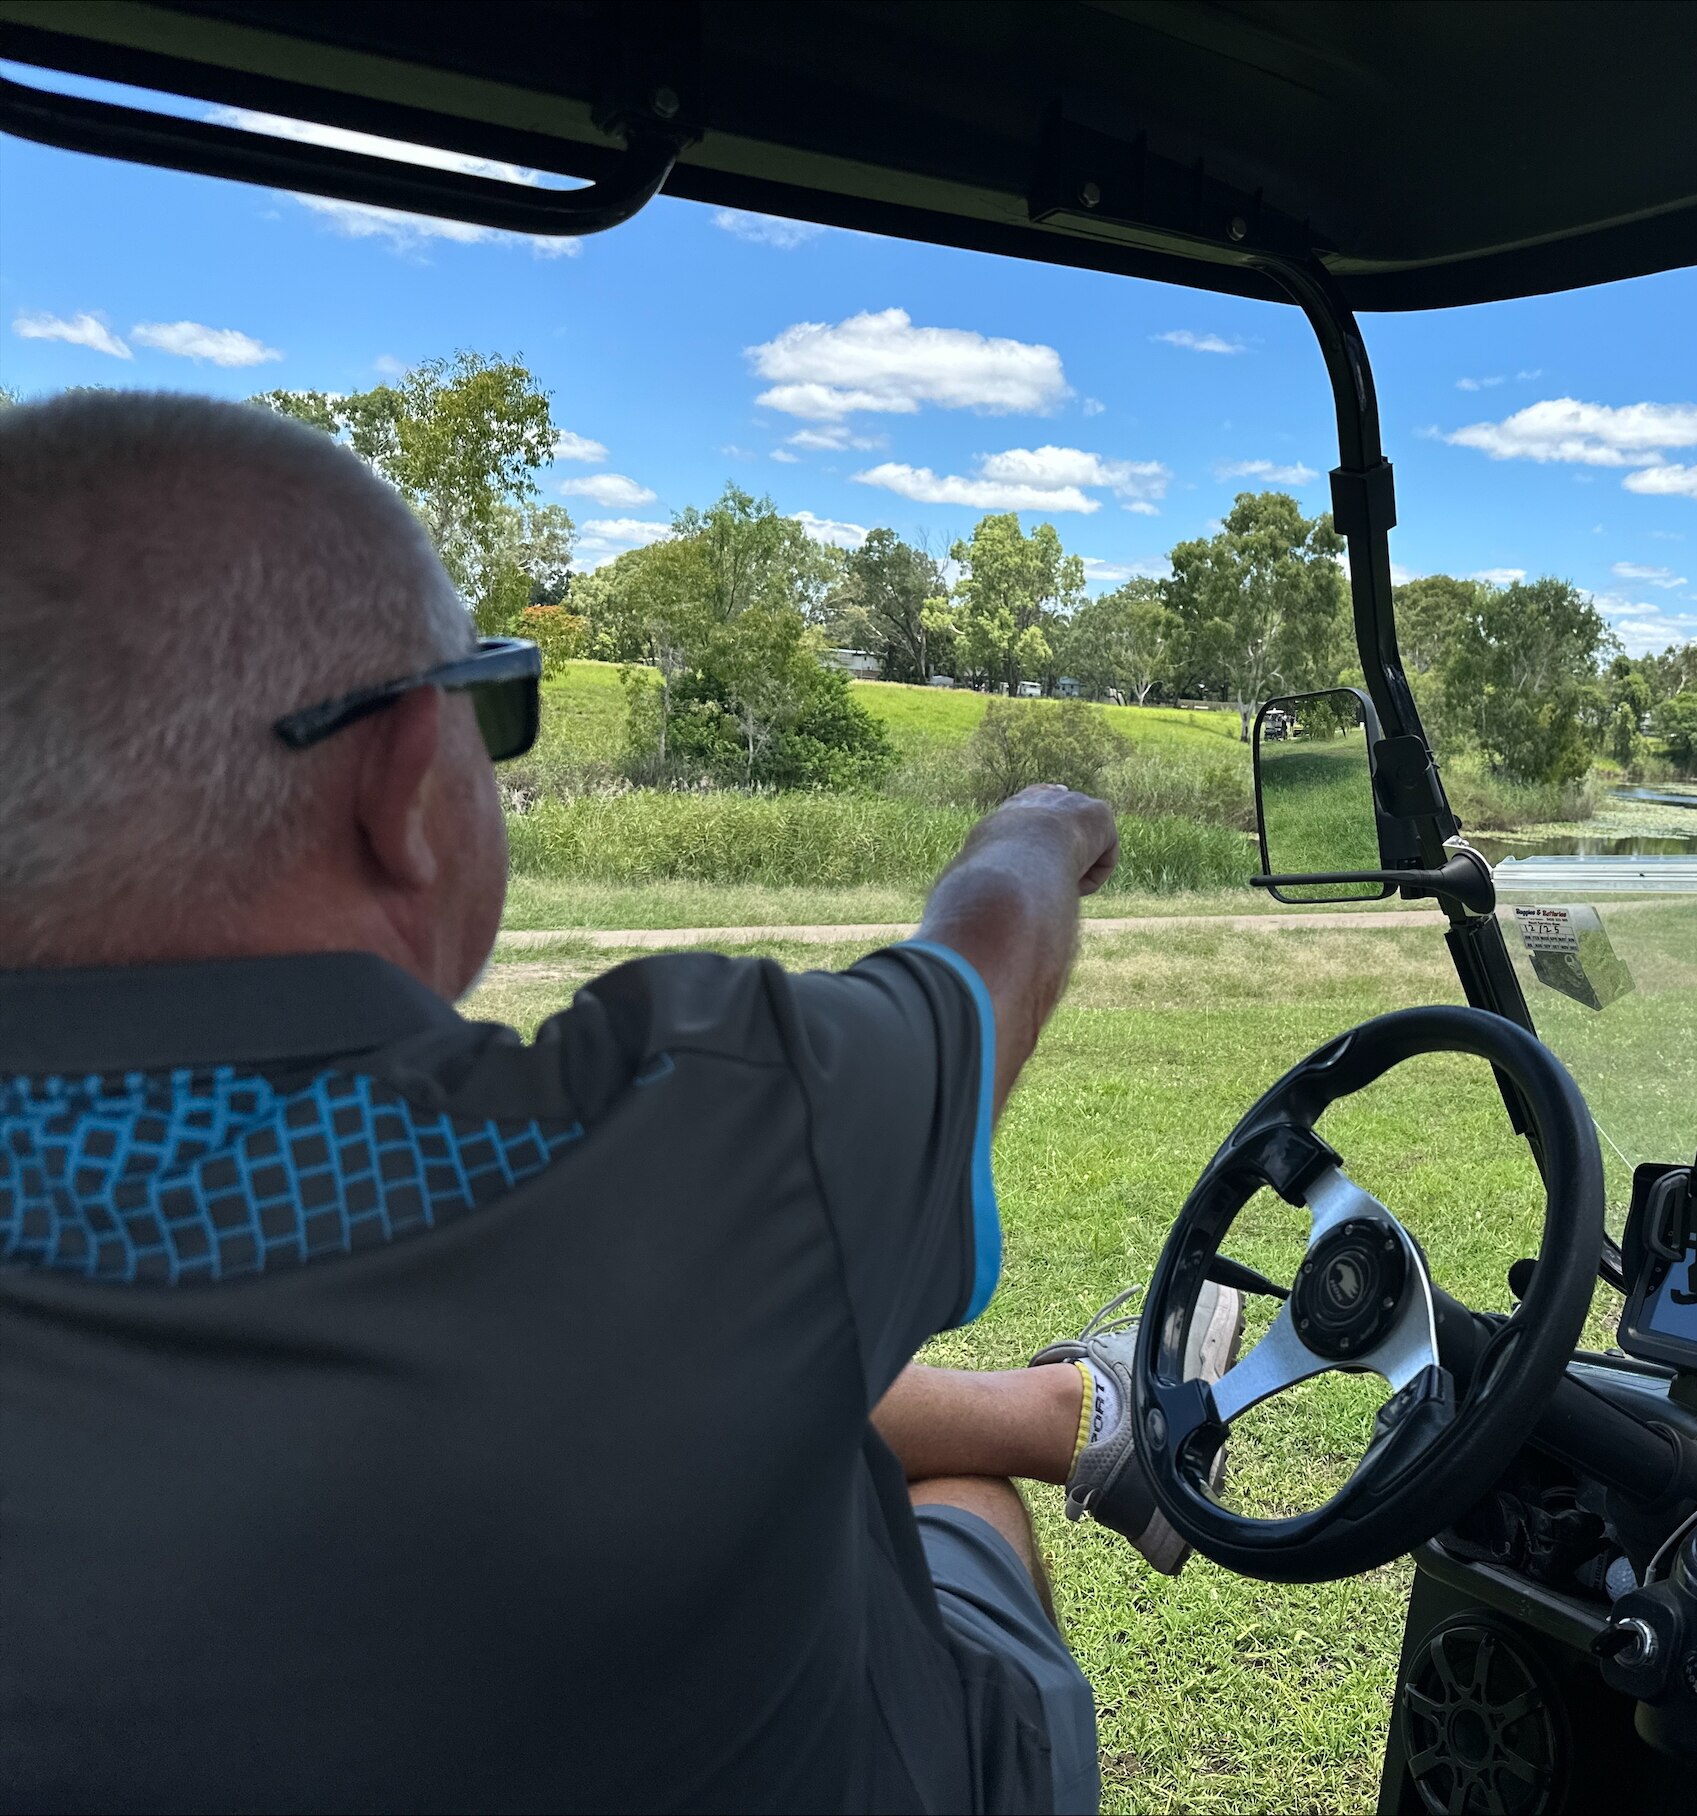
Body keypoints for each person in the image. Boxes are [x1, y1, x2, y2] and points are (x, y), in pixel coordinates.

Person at [0, 392, 1243, 1814]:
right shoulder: (678, 1141)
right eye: (493, 706)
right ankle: (1070, 1430)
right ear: (404, 783)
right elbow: (982, 969)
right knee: (948, 1507)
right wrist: (1040, 827)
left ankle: (1072, 1413)